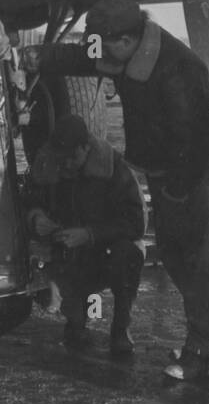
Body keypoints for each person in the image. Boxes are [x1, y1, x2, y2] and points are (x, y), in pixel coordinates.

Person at [22, 0, 209, 381]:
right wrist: (34, 57)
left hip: (188, 176)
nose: (97, 51)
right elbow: (78, 59)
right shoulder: (125, 50)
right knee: (177, 255)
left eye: (103, 43)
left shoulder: (179, 70)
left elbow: (200, 142)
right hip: (165, 175)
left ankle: (201, 350)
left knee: (195, 258)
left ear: (126, 40)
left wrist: (178, 190)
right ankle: (201, 341)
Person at [26, 114, 146, 358]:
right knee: (74, 331)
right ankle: (75, 319)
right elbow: (28, 201)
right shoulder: (47, 164)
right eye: (63, 159)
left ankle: (121, 327)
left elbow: (136, 223)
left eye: (74, 157)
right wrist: (36, 219)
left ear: (87, 147)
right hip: (65, 254)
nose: (68, 165)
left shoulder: (113, 168)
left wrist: (90, 234)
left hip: (105, 251)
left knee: (128, 254)